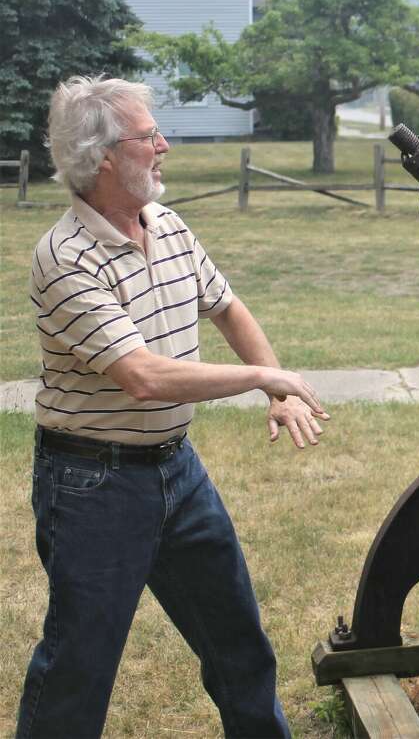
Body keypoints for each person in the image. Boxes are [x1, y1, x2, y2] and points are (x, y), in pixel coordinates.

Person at [17, 76, 331, 738]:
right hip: (93, 486)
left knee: (239, 644)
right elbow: (143, 376)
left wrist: (274, 387)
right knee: (80, 667)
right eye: (148, 136)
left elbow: (225, 305)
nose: (164, 145)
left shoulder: (168, 223)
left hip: (176, 472)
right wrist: (260, 375)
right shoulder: (65, 258)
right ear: (103, 155)